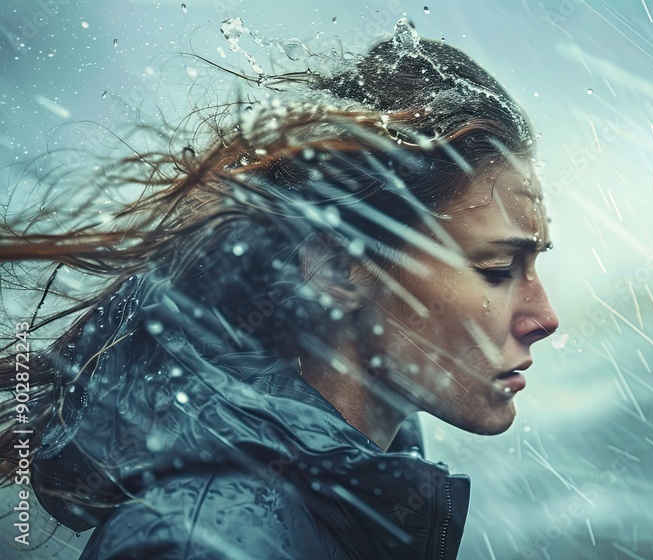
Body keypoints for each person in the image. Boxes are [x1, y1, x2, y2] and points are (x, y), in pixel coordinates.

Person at [0, 19, 559, 559]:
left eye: (534, 265)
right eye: (496, 269)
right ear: (339, 269)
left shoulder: (364, 483)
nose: (544, 316)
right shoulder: (205, 542)